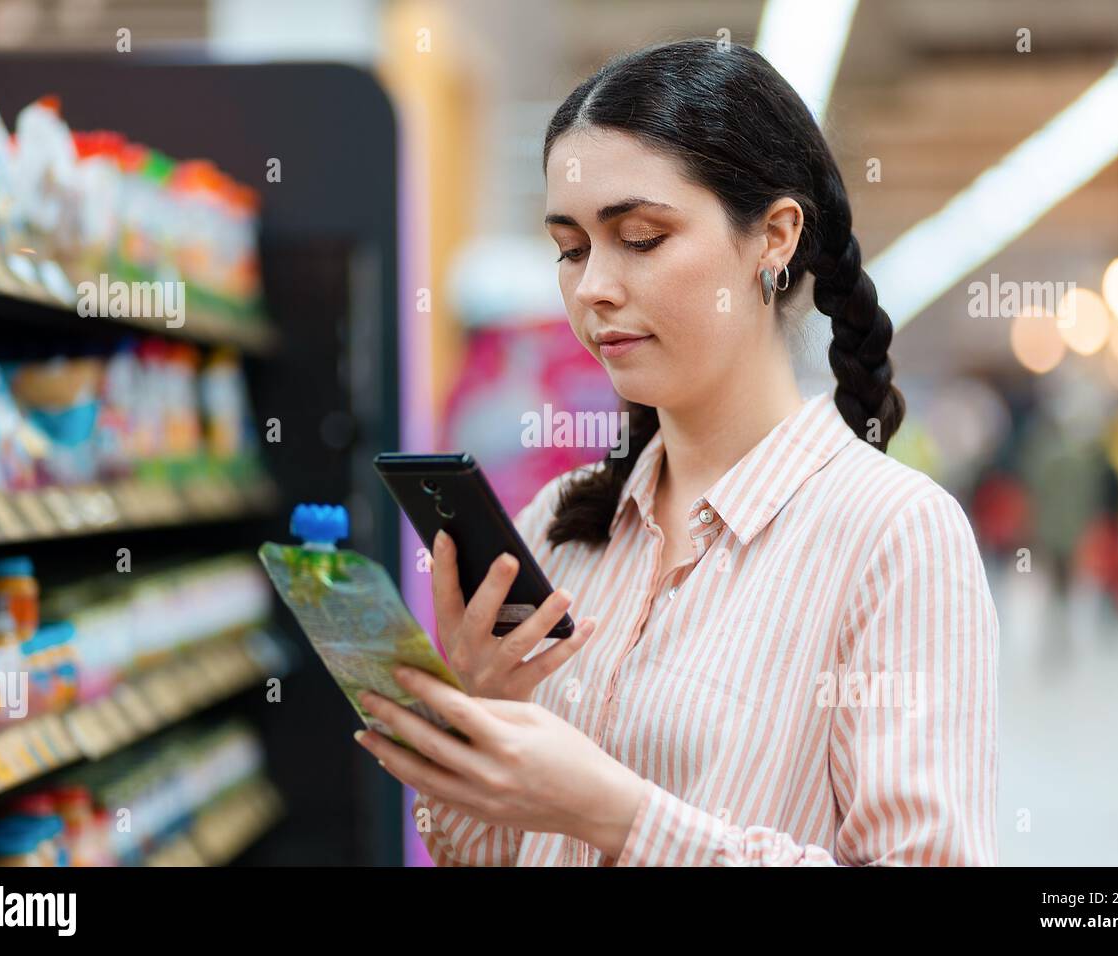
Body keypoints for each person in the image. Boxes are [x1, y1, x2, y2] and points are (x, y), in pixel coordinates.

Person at [355, 38, 999, 866]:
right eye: (573, 248)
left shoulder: (895, 536)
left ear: (773, 237)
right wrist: (473, 728)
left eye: (642, 237)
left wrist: (620, 816)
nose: (592, 288)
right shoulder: (556, 525)